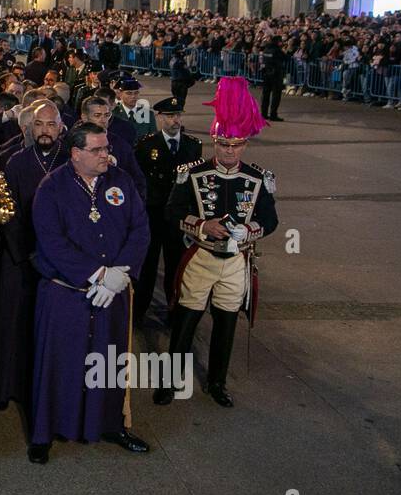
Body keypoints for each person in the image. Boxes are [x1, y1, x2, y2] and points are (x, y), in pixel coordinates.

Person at [27, 122, 150, 463]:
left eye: (106, 148)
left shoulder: (121, 181)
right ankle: (44, 432)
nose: (105, 155)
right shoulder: (52, 188)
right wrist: (98, 275)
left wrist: (119, 275)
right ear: (76, 153)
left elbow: (140, 230)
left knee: (110, 362)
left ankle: (112, 424)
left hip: (114, 292)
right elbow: (51, 242)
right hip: (67, 294)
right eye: (97, 150)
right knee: (60, 364)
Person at [157, 77, 278, 408]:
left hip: (236, 261)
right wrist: (202, 224)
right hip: (201, 257)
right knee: (185, 322)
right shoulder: (192, 173)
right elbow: (172, 211)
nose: (229, 151)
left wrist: (250, 231)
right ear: (214, 141)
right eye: (224, 144)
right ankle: (170, 382)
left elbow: (271, 219)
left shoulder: (257, 179)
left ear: (245, 145)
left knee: (226, 325)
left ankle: (217, 382)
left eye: (235, 145)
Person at [0, 101, 64, 415]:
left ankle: (45, 389)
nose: (45, 131)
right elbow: (8, 214)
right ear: (29, 128)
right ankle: (6, 388)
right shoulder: (16, 162)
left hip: (60, 261)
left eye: (50, 124)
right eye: (39, 125)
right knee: (12, 322)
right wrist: (27, 253)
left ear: (61, 128)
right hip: (19, 256)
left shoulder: (69, 160)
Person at [133, 97, 202, 323]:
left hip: (178, 217)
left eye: (178, 115)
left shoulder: (193, 145)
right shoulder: (145, 145)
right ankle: (139, 310)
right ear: (159, 117)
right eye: (170, 116)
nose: (175, 120)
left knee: (176, 265)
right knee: (148, 265)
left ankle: (175, 311)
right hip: (153, 213)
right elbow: (139, 180)